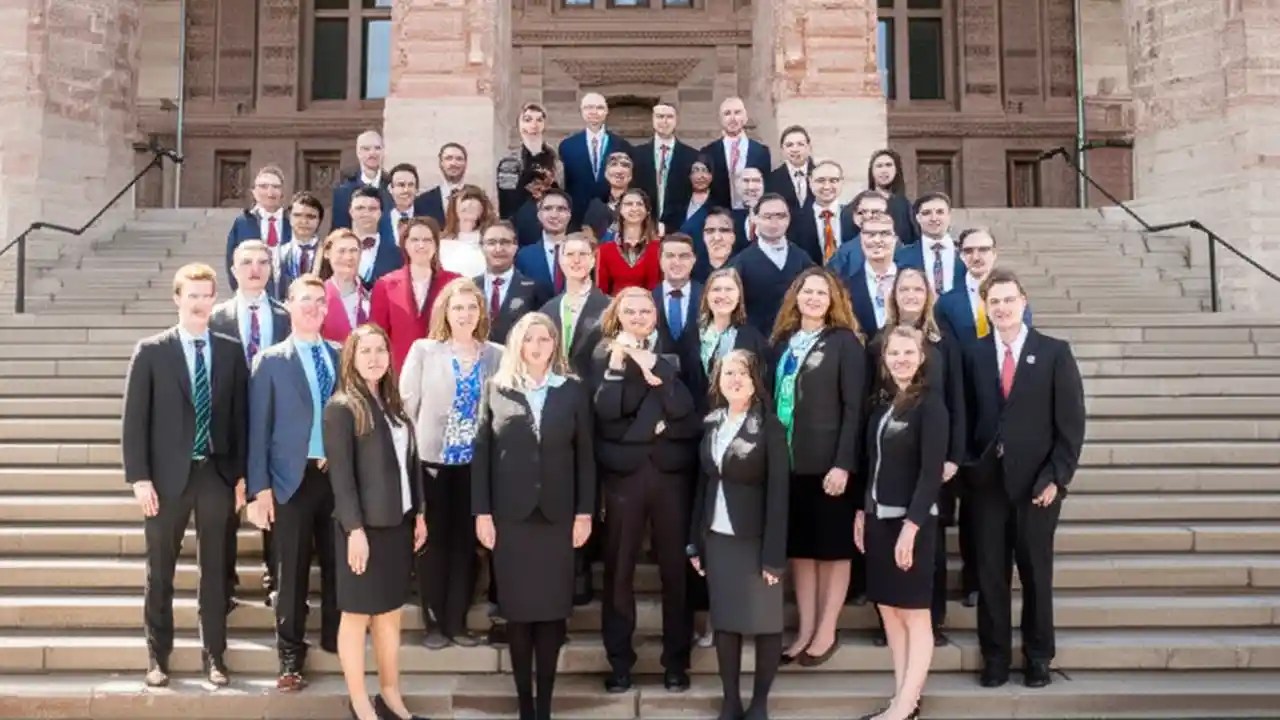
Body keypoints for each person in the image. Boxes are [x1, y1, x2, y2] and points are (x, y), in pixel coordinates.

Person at [122, 262, 247, 688]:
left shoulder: (231, 350)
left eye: (206, 295)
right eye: (191, 295)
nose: (199, 303)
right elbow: (134, 421)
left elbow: (241, 419)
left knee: (215, 571)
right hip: (164, 480)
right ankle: (157, 656)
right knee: (161, 571)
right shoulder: (152, 351)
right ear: (177, 299)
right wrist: (139, 478)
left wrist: (242, 476)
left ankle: (214, 655)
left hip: (216, 474)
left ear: (216, 299)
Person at [961, 269, 1085, 689]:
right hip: (987, 487)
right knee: (991, 575)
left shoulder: (1054, 352)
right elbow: (964, 416)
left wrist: (1057, 477)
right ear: (985, 306)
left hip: (1038, 488)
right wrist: (968, 467)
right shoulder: (972, 353)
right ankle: (994, 657)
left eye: (1008, 299)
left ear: (1024, 300)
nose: (1001, 308)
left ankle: (1038, 657)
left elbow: (1070, 426)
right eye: (993, 301)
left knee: (1036, 575)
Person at [473, 312, 596, 720]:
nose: (538, 346)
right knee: (519, 615)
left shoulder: (572, 391)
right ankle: (525, 705)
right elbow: (482, 457)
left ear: (553, 345)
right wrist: (482, 512)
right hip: (511, 519)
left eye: (545, 339)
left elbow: (586, 459)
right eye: (530, 339)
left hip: (558, 518)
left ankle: (544, 706)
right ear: (518, 345)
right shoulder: (496, 389)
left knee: (552, 614)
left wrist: (584, 512)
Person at [593, 287, 701, 694]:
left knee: (676, 574)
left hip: (671, 477)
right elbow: (605, 412)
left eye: (645, 310)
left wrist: (653, 369)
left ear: (655, 315)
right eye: (630, 310)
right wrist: (626, 365)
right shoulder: (604, 354)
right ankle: (620, 662)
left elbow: (686, 412)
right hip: (624, 479)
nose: (638, 316)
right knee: (619, 572)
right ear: (618, 315)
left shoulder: (674, 352)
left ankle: (676, 662)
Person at [323, 324, 428, 720]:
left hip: (398, 525)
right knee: (356, 615)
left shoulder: (394, 405)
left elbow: (410, 463)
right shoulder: (341, 407)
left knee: (390, 615)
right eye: (364, 350)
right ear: (351, 357)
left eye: (380, 350)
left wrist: (419, 512)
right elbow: (342, 478)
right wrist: (354, 532)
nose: (373, 358)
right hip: (362, 530)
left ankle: (390, 694)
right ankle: (361, 704)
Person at [247, 273, 341, 691]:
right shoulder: (270, 361)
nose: (314, 308)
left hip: (336, 477)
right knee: (292, 572)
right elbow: (257, 430)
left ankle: (337, 638)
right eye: (306, 300)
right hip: (291, 478)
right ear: (289, 305)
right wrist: (259, 488)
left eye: (321, 301)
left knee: (340, 566)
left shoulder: (342, 355)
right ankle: (290, 657)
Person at [400, 278, 504, 648]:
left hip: (475, 466)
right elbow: (406, 406)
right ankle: (433, 624)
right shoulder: (425, 351)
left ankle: (457, 623)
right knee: (432, 545)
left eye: (472, 307)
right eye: (457, 307)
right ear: (445, 311)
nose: (465, 314)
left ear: (481, 313)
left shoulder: (496, 354)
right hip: (432, 464)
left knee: (466, 547)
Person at [771, 267, 866, 667]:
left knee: (832, 551)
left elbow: (854, 408)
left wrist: (843, 463)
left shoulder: (845, 343)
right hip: (788, 465)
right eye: (807, 291)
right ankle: (805, 629)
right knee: (802, 554)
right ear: (796, 296)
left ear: (834, 301)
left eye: (821, 294)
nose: (813, 298)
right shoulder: (781, 343)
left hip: (829, 466)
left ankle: (827, 630)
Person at [866, 268, 965, 644]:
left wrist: (954, 454)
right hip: (892, 449)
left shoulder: (945, 341)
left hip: (933, 452)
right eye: (903, 288)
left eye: (917, 288)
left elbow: (957, 399)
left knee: (928, 542)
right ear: (893, 294)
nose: (910, 294)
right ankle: (887, 618)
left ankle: (931, 619)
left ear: (929, 293)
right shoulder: (879, 341)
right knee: (887, 541)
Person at [689, 349, 789, 720]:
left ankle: (759, 701)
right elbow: (703, 483)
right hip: (718, 537)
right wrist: (694, 539)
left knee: (765, 623)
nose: (735, 379)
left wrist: (774, 557)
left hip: (756, 539)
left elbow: (780, 495)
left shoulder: (770, 426)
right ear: (718, 380)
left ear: (755, 381)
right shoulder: (712, 422)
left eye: (743, 374)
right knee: (726, 621)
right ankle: (730, 699)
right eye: (728, 373)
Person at [854, 325, 947, 720]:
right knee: (889, 611)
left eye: (909, 353)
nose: (901, 359)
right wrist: (863, 510)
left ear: (922, 357)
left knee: (914, 613)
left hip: (913, 526)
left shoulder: (931, 405)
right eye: (894, 353)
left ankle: (907, 703)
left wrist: (912, 527)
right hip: (878, 521)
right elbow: (872, 465)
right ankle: (901, 699)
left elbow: (930, 475)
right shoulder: (883, 404)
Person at [210, 240, 291, 605]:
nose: (255, 269)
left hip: (275, 426)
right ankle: (225, 584)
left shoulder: (286, 317)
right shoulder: (215, 317)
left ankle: (275, 578)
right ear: (233, 269)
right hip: (228, 426)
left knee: (273, 504)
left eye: (262, 262)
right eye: (246, 262)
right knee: (226, 508)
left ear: (271, 270)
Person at [370, 217, 462, 372]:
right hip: (400, 373)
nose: (421, 245)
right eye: (415, 240)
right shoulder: (385, 285)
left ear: (436, 244)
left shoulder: (454, 283)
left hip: (444, 371)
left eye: (427, 240)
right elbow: (378, 335)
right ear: (405, 244)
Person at [728, 193, 815, 334]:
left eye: (781, 216)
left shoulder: (802, 259)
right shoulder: (740, 263)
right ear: (755, 219)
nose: (774, 223)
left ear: (789, 219)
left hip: (797, 340)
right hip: (756, 342)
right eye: (768, 217)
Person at [540, 231, 610, 391]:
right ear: (560, 260)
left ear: (593, 260)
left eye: (583, 254)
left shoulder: (610, 307)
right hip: (556, 398)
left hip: (595, 396)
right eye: (570, 254)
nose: (576, 260)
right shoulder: (547, 310)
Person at [694, 268, 771, 412]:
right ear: (706, 295)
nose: (723, 295)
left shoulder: (753, 338)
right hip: (697, 423)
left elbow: (762, 387)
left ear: (739, 296)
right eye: (716, 289)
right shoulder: (692, 335)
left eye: (729, 289)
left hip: (739, 421)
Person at [560, 92, 633, 227]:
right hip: (576, 218)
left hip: (612, 219)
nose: (594, 112)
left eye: (599, 108)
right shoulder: (567, 146)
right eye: (589, 107)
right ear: (581, 112)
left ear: (606, 111)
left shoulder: (622, 145)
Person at [477, 221, 549, 345]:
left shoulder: (535, 289)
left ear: (516, 246)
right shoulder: (471, 287)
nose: (498, 249)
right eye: (491, 243)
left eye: (505, 242)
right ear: (481, 247)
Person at [632, 102, 696, 230]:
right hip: (644, 227)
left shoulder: (692, 156)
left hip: (679, 227)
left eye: (669, 117)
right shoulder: (637, 154)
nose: (665, 121)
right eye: (660, 116)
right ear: (653, 120)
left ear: (676, 120)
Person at [226, 165, 290, 291]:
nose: (270, 193)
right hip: (253, 291)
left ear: (282, 193)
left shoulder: (292, 222)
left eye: (276, 187)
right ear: (254, 192)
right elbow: (231, 260)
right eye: (263, 187)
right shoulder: (243, 223)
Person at [701, 97, 771, 210]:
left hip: (752, 214)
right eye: (727, 114)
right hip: (720, 216)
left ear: (745, 117)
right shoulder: (708, 152)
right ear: (720, 119)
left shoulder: (761, 151)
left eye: (737, 113)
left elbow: (766, 188)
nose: (732, 118)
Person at [496, 103, 559, 220]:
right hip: (521, 222)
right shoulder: (509, 161)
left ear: (545, 125)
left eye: (539, 120)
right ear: (519, 125)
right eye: (527, 120)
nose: (533, 125)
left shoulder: (556, 160)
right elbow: (507, 202)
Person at [894, 193, 964, 297]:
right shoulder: (901, 256)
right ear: (918, 218)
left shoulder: (965, 254)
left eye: (940, 212)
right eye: (927, 213)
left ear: (949, 216)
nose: (934, 218)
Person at [840, 214, 899, 336]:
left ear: (895, 238)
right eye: (870, 234)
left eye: (884, 233)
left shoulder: (913, 281)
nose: (877, 240)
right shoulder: (844, 287)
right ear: (861, 239)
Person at [788, 159, 855, 266]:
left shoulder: (854, 216)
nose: (827, 186)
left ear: (842, 182)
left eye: (833, 180)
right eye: (821, 180)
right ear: (810, 182)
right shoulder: (795, 220)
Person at [596, 188, 662, 294]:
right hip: (616, 308)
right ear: (620, 210)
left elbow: (660, 289)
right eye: (629, 204)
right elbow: (602, 292)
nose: (634, 208)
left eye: (639, 204)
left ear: (647, 211)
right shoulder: (605, 250)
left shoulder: (659, 248)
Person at [514, 189, 573, 296]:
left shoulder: (582, 253)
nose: (554, 215)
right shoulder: (524, 256)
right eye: (548, 208)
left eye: (561, 209)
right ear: (539, 215)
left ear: (569, 215)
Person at [319, 229, 371, 345]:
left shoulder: (371, 296)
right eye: (341, 251)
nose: (348, 257)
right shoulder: (318, 296)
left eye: (353, 251)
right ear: (327, 254)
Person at [332, 130, 391, 231]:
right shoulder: (343, 188)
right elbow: (339, 229)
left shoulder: (392, 186)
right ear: (358, 152)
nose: (372, 153)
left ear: (383, 151)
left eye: (377, 148)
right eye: (366, 149)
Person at [827, 189, 891, 280]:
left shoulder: (900, 249)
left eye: (876, 212)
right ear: (855, 217)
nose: (868, 216)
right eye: (862, 212)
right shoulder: (844, 253)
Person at [348, 186, 404, 289]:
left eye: (372, 209)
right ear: (351, 212)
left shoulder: (398, 255)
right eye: (360, 208)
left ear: (380, 213)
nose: (366, 213)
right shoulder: (336, 251)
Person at [276, 192, 325, 301]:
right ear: (289, 217)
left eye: (311, 217)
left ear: (319, 220)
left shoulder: (328, 254)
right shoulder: (279, 254)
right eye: (298, 215)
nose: (304, 221)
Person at [439, 184, 495, 277]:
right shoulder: (441, 244)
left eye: (474, 198)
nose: (469, 203)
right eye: (465, 199)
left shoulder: (490, 243)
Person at [866, 149, 918, 247]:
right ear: (872, 171)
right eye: (879, 166)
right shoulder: (861, 204)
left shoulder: (904, 205)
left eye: (888, 165)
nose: (884, 170)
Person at [583, 152, 637, 241]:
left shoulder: (639, 205)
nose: (619, 171)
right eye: (613, 165)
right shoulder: (595, 206)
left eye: (625, 165)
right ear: (606, 173)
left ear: (631, 174)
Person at [765, 125, 815, 216]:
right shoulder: (772, 179)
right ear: (782, 149)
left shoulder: (820, 175)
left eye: (800, 144)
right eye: (789, 145)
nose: (795, 149)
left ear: (809, 147)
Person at [417, 142, 470, 224]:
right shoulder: (422, 202)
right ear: (441, 163)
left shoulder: (479, 198)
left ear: (466, 164)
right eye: (448, 158)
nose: (453, 163)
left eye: (459, 159)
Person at [384, 163, 422, 231]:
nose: (406, 190)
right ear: (390, 188)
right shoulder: (380, 219)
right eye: (401, 185)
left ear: (416, 189)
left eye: (411, 185)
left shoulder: (428, 216)